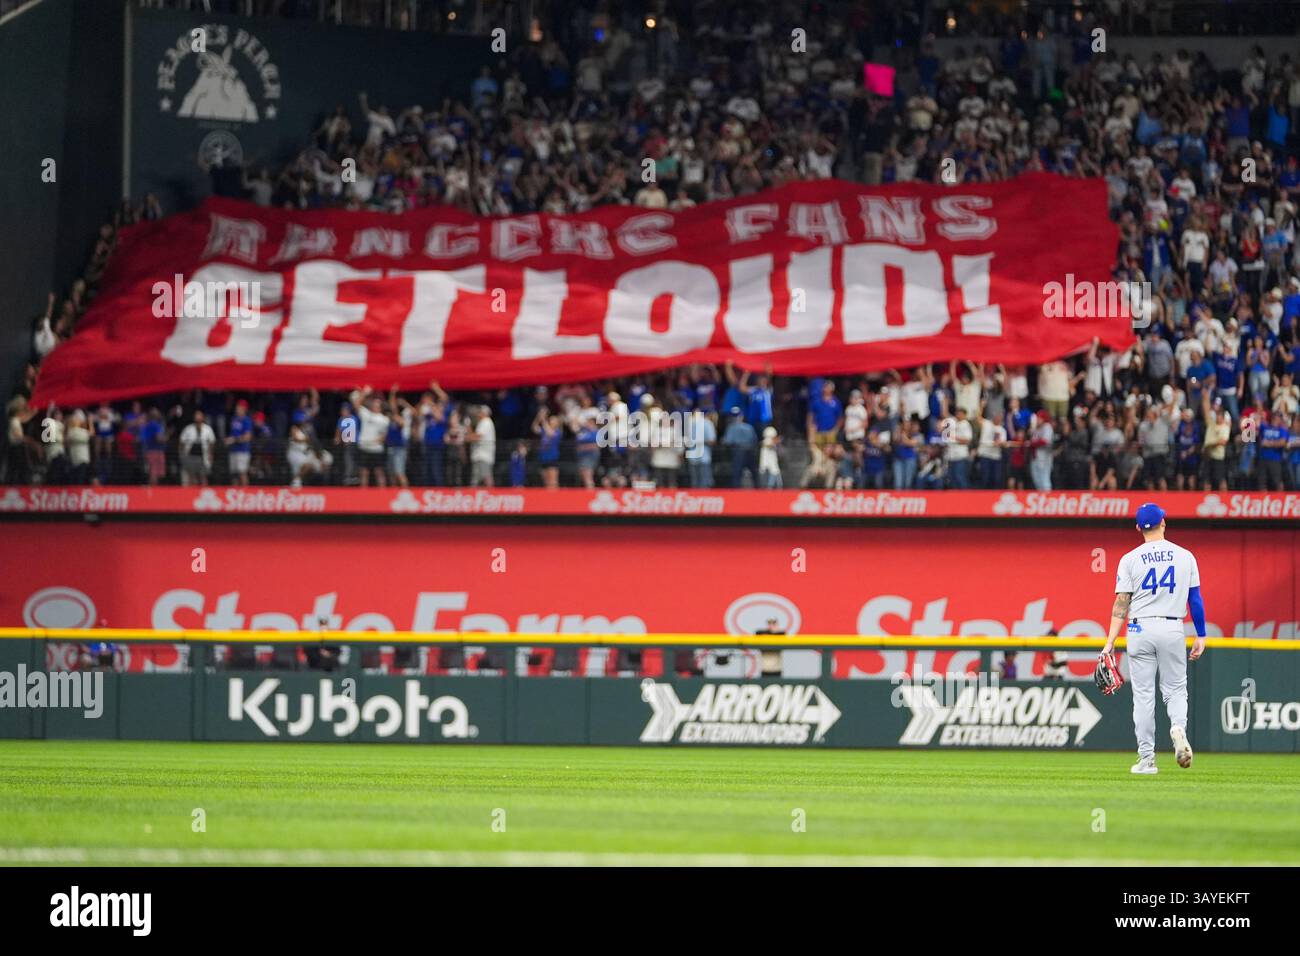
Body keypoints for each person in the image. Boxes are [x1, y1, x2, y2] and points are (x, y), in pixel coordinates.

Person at [1101, 503, 1206, 775]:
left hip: (1139, 629)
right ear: (1164, 522)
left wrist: (1109, 642)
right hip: (1172, 626)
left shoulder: (1130, 559)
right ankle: (1178, 727)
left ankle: (1147, 759)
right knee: (1175, 690)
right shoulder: (1185, 556)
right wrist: (1201, 634)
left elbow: (1121, 603)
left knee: (1144, 696)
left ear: (1138, 528)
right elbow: (1195, 600)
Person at [178, 411, 216, 486]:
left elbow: (212, 442)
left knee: (203, 476)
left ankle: (204, 492)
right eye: (196, 415)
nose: (198, 417)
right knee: (192, 476)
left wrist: (211, 453)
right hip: (190, 456)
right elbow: (181, 441)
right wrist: (181, 454)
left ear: (203, 417)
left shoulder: (208, 429)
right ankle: (192, 493)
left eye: (199, 415)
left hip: (203, 456)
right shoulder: (188, 428)